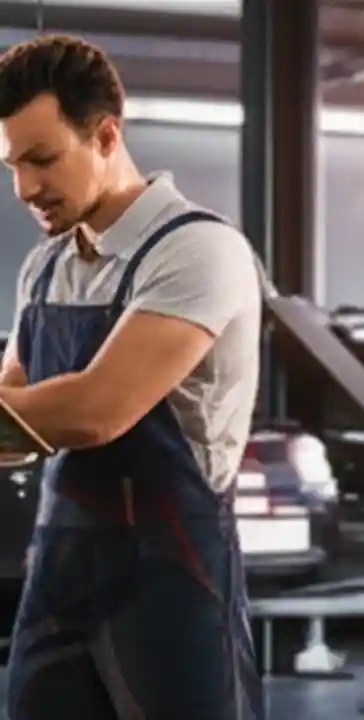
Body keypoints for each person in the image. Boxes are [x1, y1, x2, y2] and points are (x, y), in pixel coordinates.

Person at [0, 35, 265, 718]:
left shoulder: (198, 250)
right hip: (61, 570)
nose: (25, 188)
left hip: (173, 578)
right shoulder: (46, 266)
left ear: (107, 134)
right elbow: (16, 416)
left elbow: (95, 410)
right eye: (11, 166)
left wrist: (22, 414)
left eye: (42, 159)